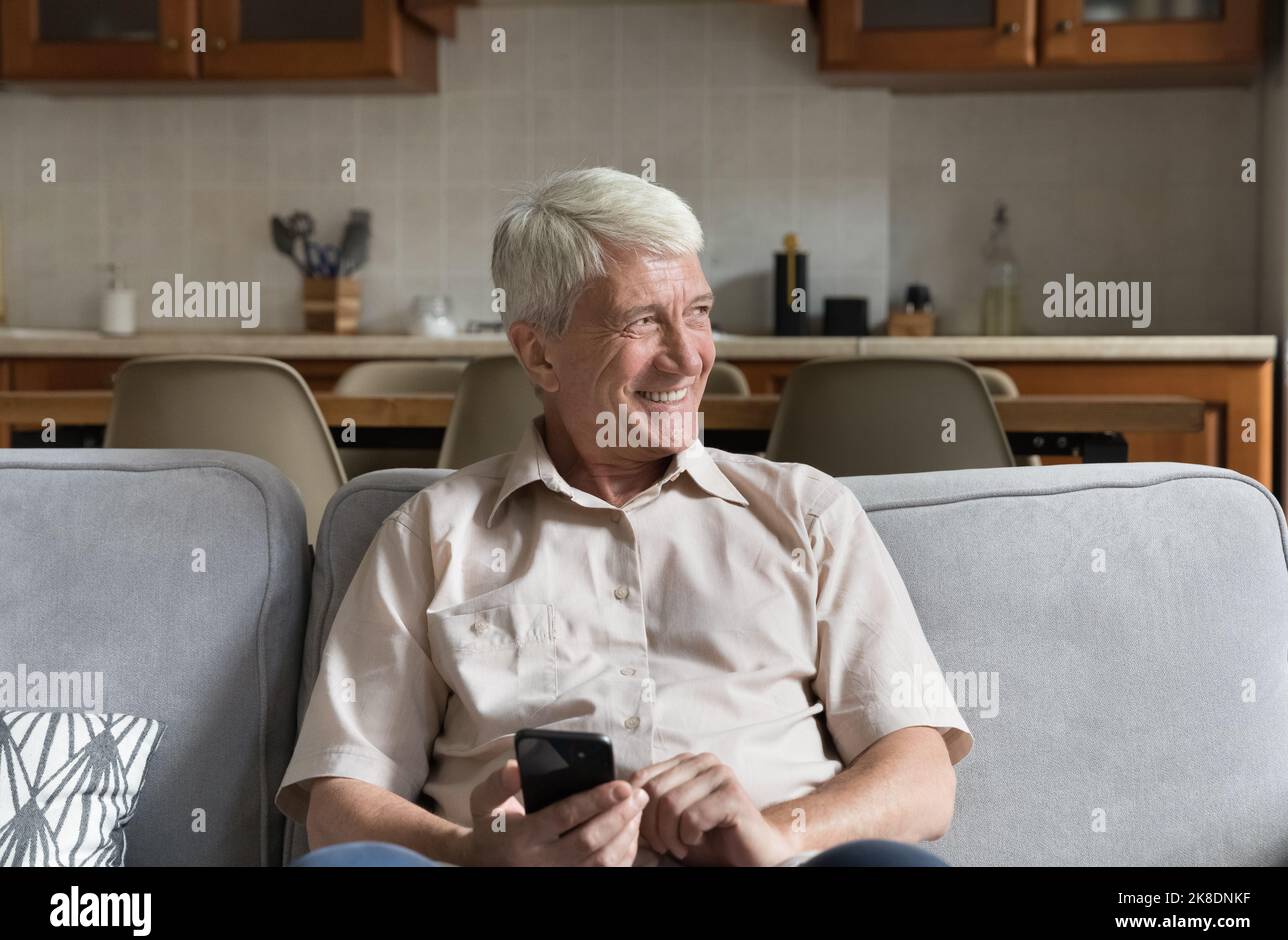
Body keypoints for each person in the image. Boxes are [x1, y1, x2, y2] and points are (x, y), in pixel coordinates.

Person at [276, 167, 972, 867]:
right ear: (538, 352)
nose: (687, 357)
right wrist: (477, 851)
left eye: (697, 313)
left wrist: (778, 832)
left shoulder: (808, 516)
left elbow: (920, 773)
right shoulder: (432, 534)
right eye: (643, 321)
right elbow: (341, 799)